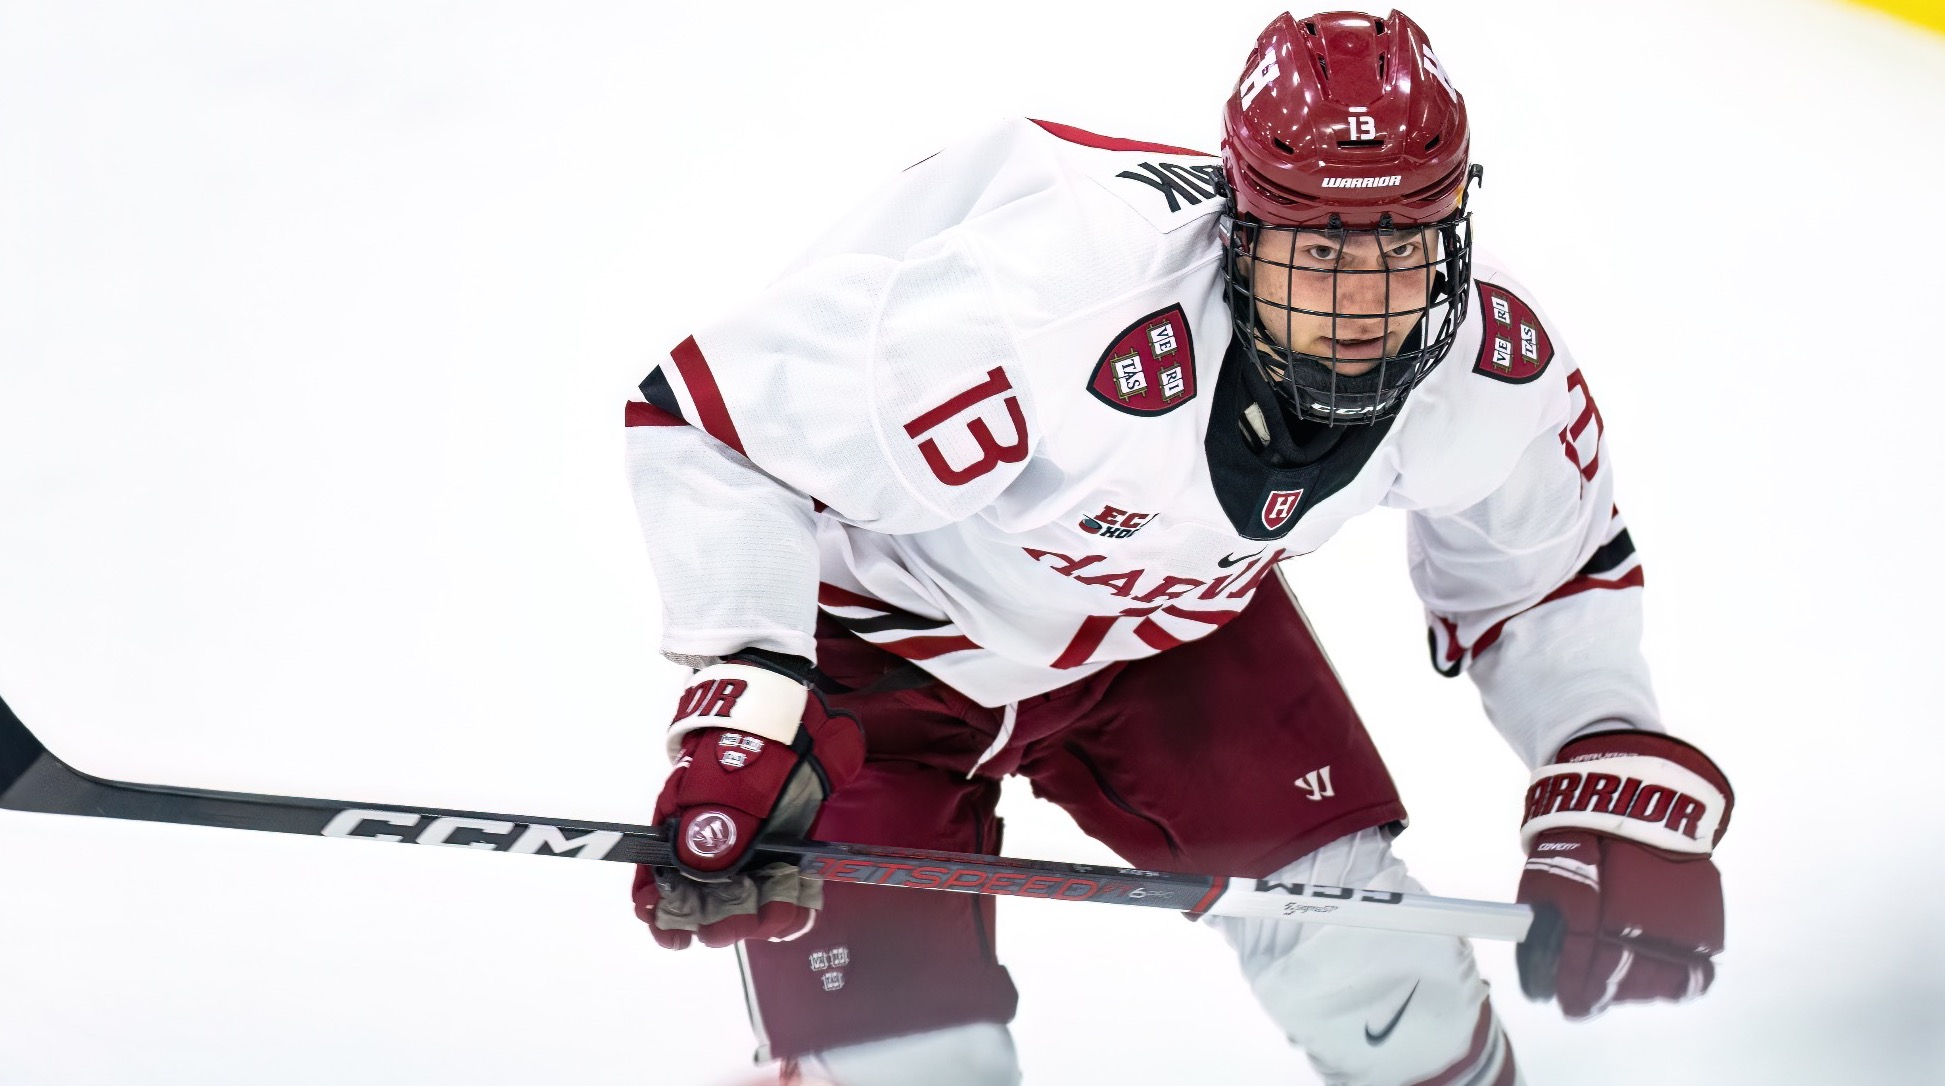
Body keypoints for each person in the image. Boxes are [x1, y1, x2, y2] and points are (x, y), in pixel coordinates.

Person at [622, 10, 1733, 1085]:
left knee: (1392, 989)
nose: (1362, 298)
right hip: (882, 668)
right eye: (1318, 247)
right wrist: (749, 699)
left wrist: (1599, 759)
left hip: (1168, 637)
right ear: (1238, 228)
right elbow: (713, 420)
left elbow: (1546, 573)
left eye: (1402, 241)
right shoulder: (1053, 297)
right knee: (917, 1070)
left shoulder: (1485, 369)